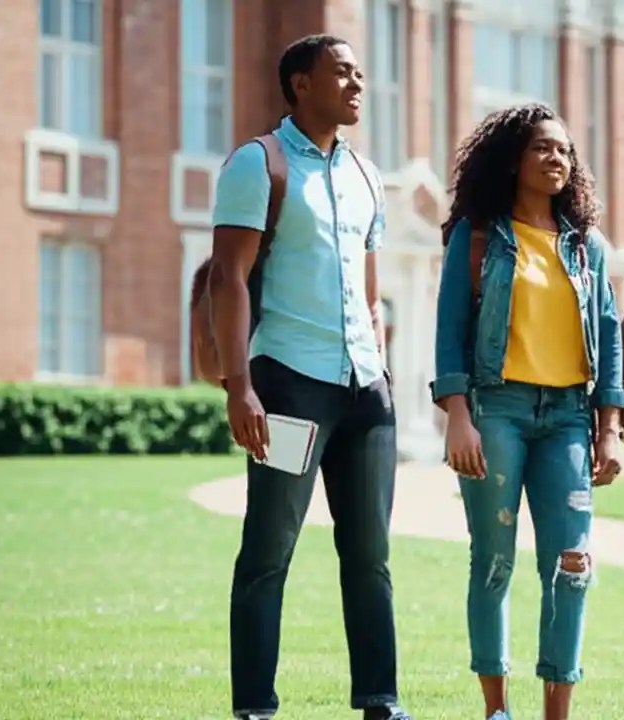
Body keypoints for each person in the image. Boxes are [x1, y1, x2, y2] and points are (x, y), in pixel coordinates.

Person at [209, 34, 411, 720]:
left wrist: (381, 370)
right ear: (300, 83)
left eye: (361, 73)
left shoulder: (367, 176)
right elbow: (229, 280)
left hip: (365, 394)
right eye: (342, 74)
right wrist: (241, 386)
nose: (357, 85)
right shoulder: (257, 164)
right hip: (290, 385)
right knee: (269, 548)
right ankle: (255, 707)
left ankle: (380, 699)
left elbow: (371, 288)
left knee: (371, 556)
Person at [429, 103, 624, 720]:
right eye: (542, 147)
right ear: (514, 159)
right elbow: (449, 329)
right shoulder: (480, 235)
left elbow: (609, 334)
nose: (556, 158)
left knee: (573, 565)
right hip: (497, 409)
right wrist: (457, 415)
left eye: (565, 150)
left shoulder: (586, 247)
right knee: (493, 561)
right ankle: (498, 710)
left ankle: (557, 712)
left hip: (568, 416)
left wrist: (609, 429)